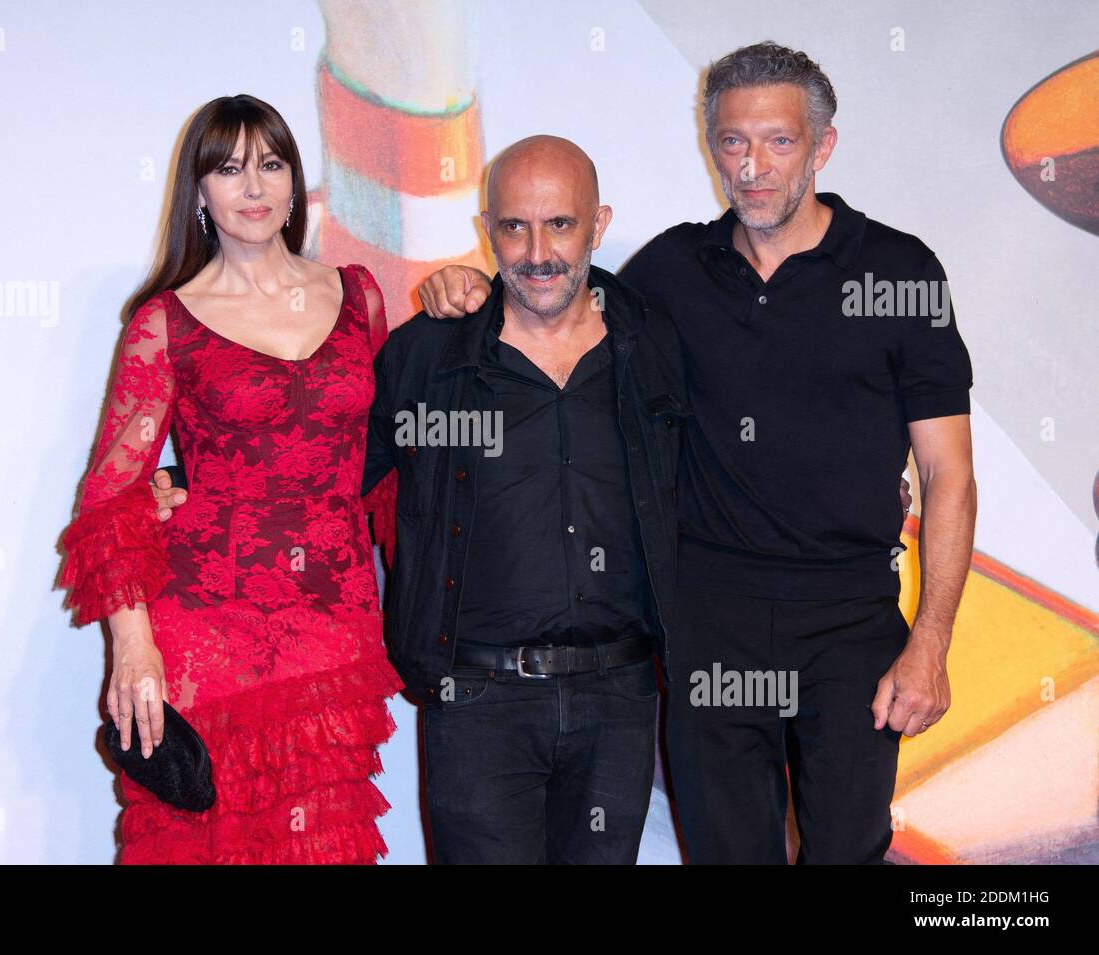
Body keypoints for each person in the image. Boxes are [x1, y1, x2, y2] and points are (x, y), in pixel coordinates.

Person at [413, 43, 976, 863]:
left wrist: (930, 641)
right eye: (732, 142)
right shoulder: (671, 272)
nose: (751, 167)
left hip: (851, 622)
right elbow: (549, 293)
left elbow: (948, 475)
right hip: (709, 618)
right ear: (712, 145)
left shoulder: (899, 272)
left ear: (821, 147)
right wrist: (461, 286)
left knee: (850, 848)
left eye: (778, 142)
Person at [161, 134, 686, 863]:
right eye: (514, 226)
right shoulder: (430, 357)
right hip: (478, 707)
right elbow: (324, 473)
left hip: (620, 703)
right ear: (487, 230)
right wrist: (195, 488)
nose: (537, 251)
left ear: (597, 224)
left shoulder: (654, 349)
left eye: (560, 224)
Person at [56, 94, 403, 864]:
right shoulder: (165, 321)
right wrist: (132, 647)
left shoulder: (359, 297)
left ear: (294, 181)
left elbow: (389, 468)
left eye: (271, 164)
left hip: (334, 630)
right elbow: (110, 498)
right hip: (209, 634)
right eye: (229, 168)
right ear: (201, 192)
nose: (253, 186)